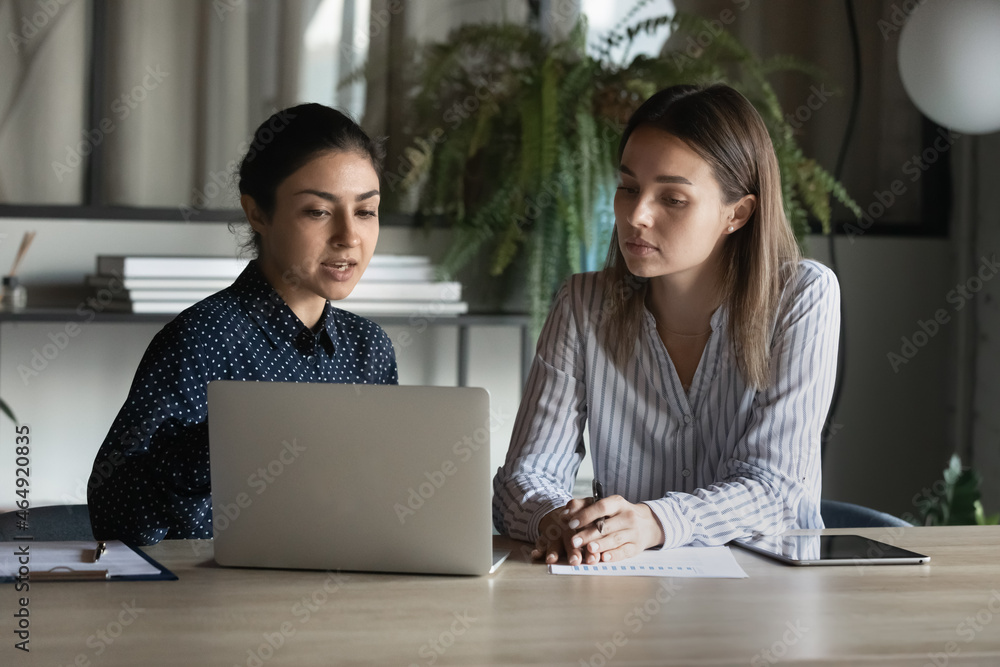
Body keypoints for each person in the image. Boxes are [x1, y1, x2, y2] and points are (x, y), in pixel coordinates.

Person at [492, 84, 840, 566]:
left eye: (673, 199)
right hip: (621, 596)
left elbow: (775, 489)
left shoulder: (801, 296)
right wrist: (557, 520)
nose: (636, 215)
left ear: (736, 213)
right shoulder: (583, 304)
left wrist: (654, 523)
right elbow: (522, 479)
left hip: (768, 601)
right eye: (629, 187)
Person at [88, 104, 398, 545]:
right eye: (318, 211)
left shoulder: (369, 349)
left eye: (366, 211)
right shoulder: (200, 340)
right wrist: (228, 441)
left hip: (340, 592)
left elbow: (376, 505)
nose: (349, 236)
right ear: (257, 214)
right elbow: (115, 517)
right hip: (210, 601)